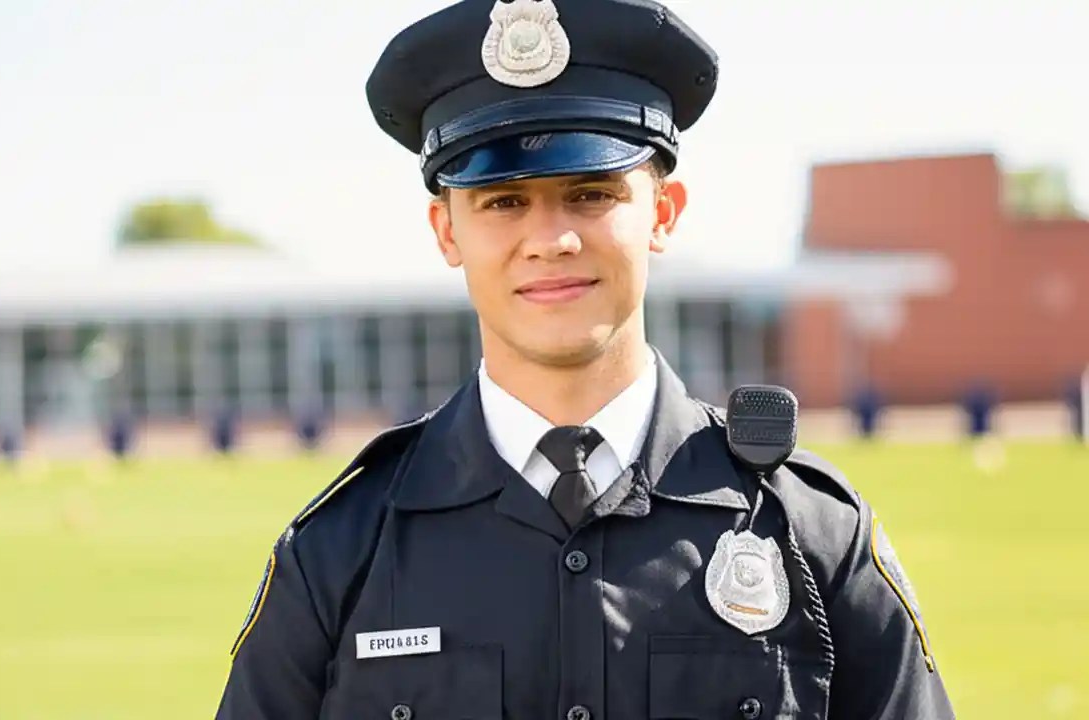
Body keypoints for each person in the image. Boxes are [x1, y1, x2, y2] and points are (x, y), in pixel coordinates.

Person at [216, 1, 955, 718]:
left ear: (663, 213)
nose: (552, 240)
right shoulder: (342, 549)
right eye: (503, 201)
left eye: (592, 193)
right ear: (446, 231)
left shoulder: (806, 529)